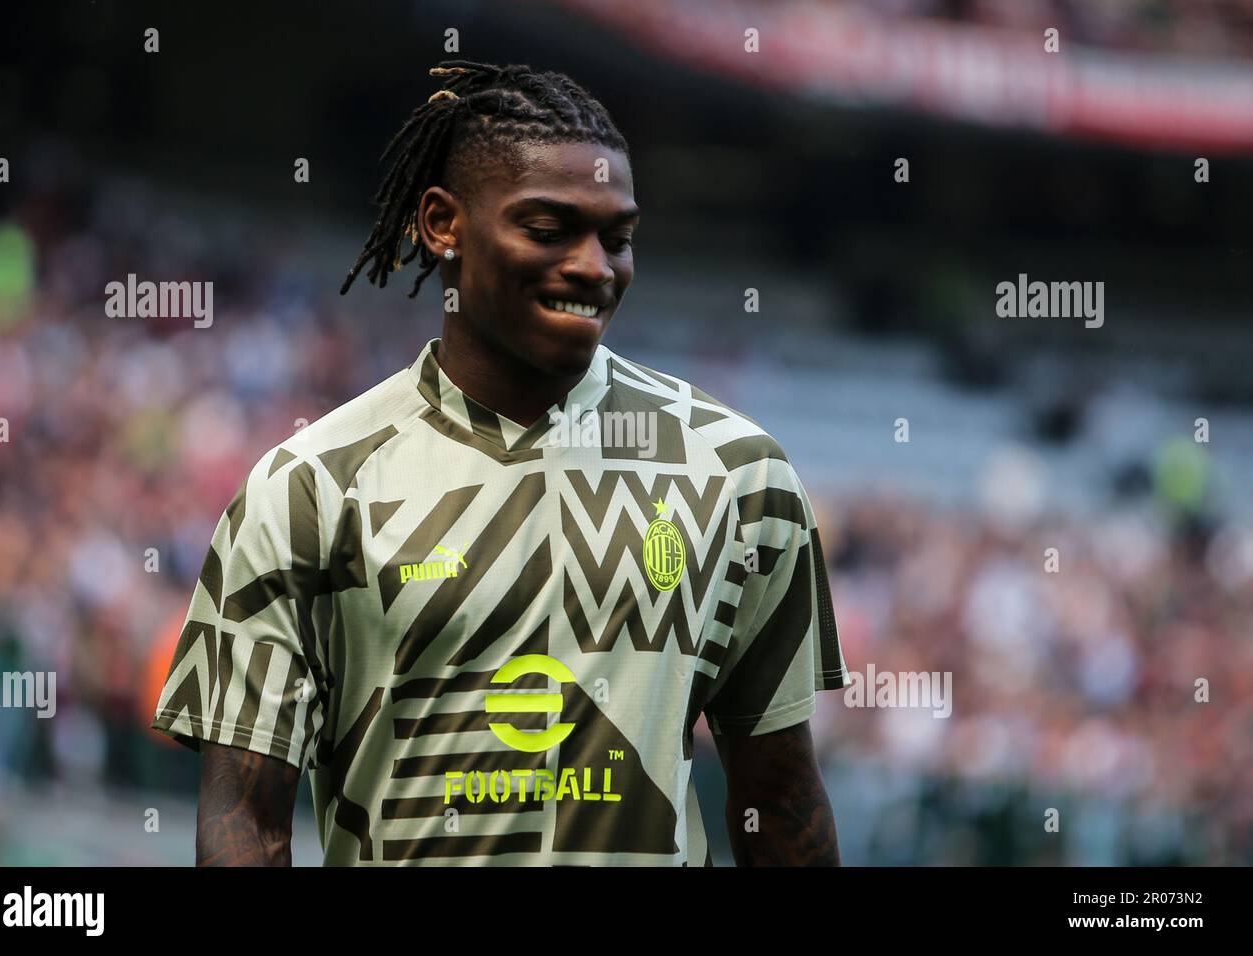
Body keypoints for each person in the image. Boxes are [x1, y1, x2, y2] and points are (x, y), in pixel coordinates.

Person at [151, 60, 851, 866]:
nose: (595, 265)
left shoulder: (740, 477)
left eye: (617, 238)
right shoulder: (309, 489)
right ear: (443, 223)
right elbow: (245, 827)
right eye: (550, 229)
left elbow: (782, 799)